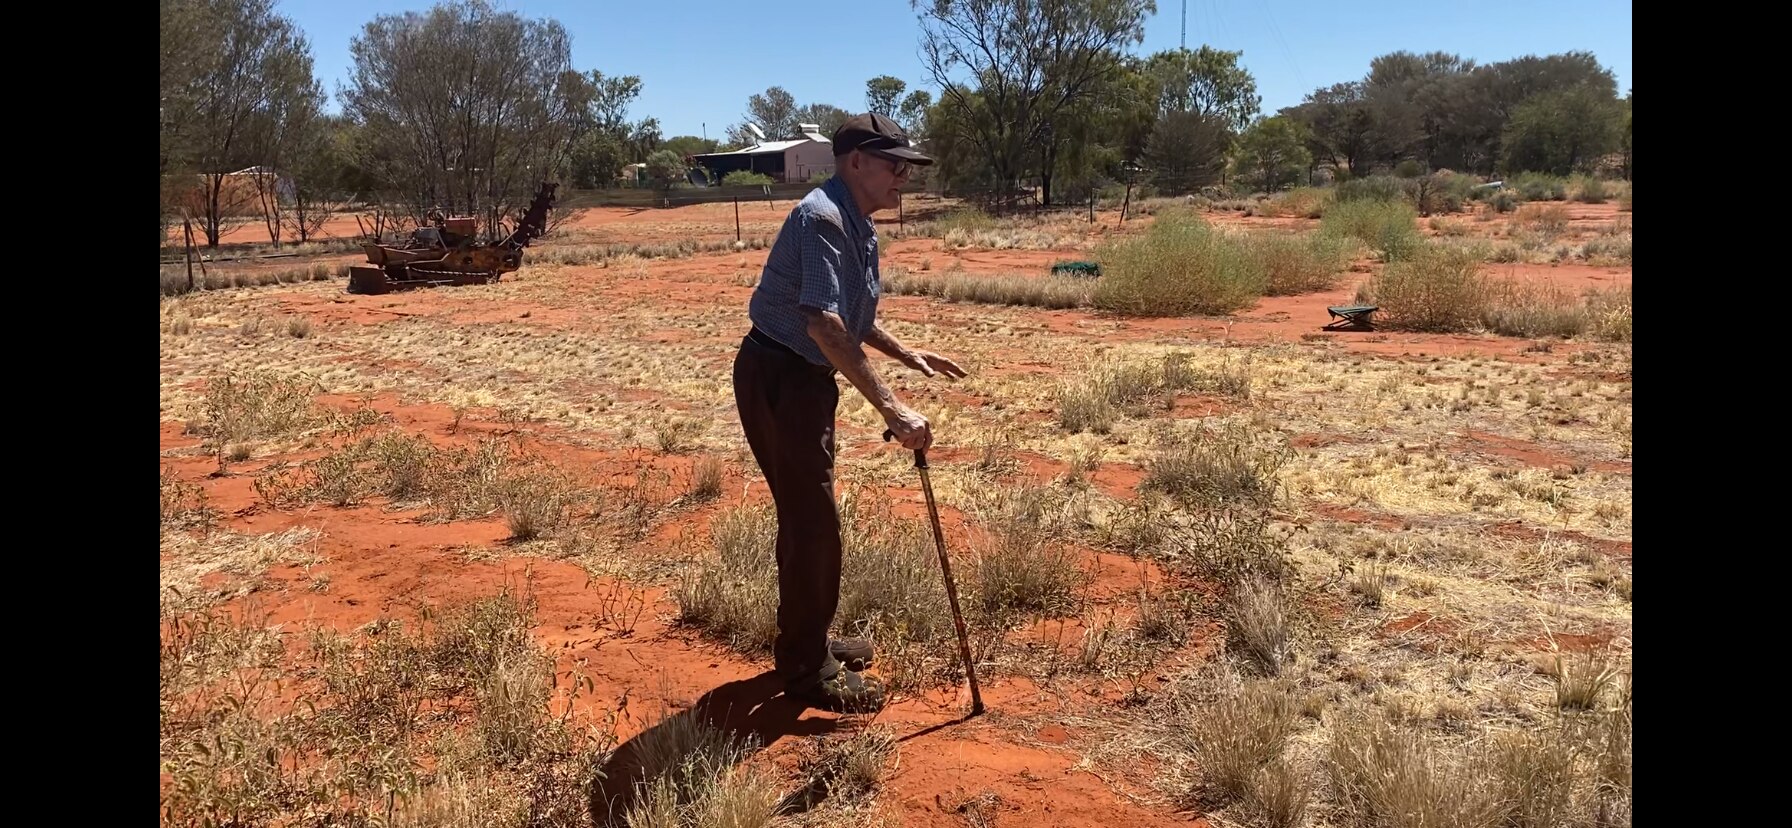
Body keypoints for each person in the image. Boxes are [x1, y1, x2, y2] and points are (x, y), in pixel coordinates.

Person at [731, 113, 966, 712]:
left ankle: (807, 641)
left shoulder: (858, 224)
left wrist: (907, 353)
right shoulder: (822, 218)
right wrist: (893, 409)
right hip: (781, 376)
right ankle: (808, 669)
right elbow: (824, 324)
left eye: (907, 168)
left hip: (804, 379)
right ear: (856, 161)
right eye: (894, 165)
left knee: (807, 520)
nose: (903, 178)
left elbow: (852, 315)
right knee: (813, 525)